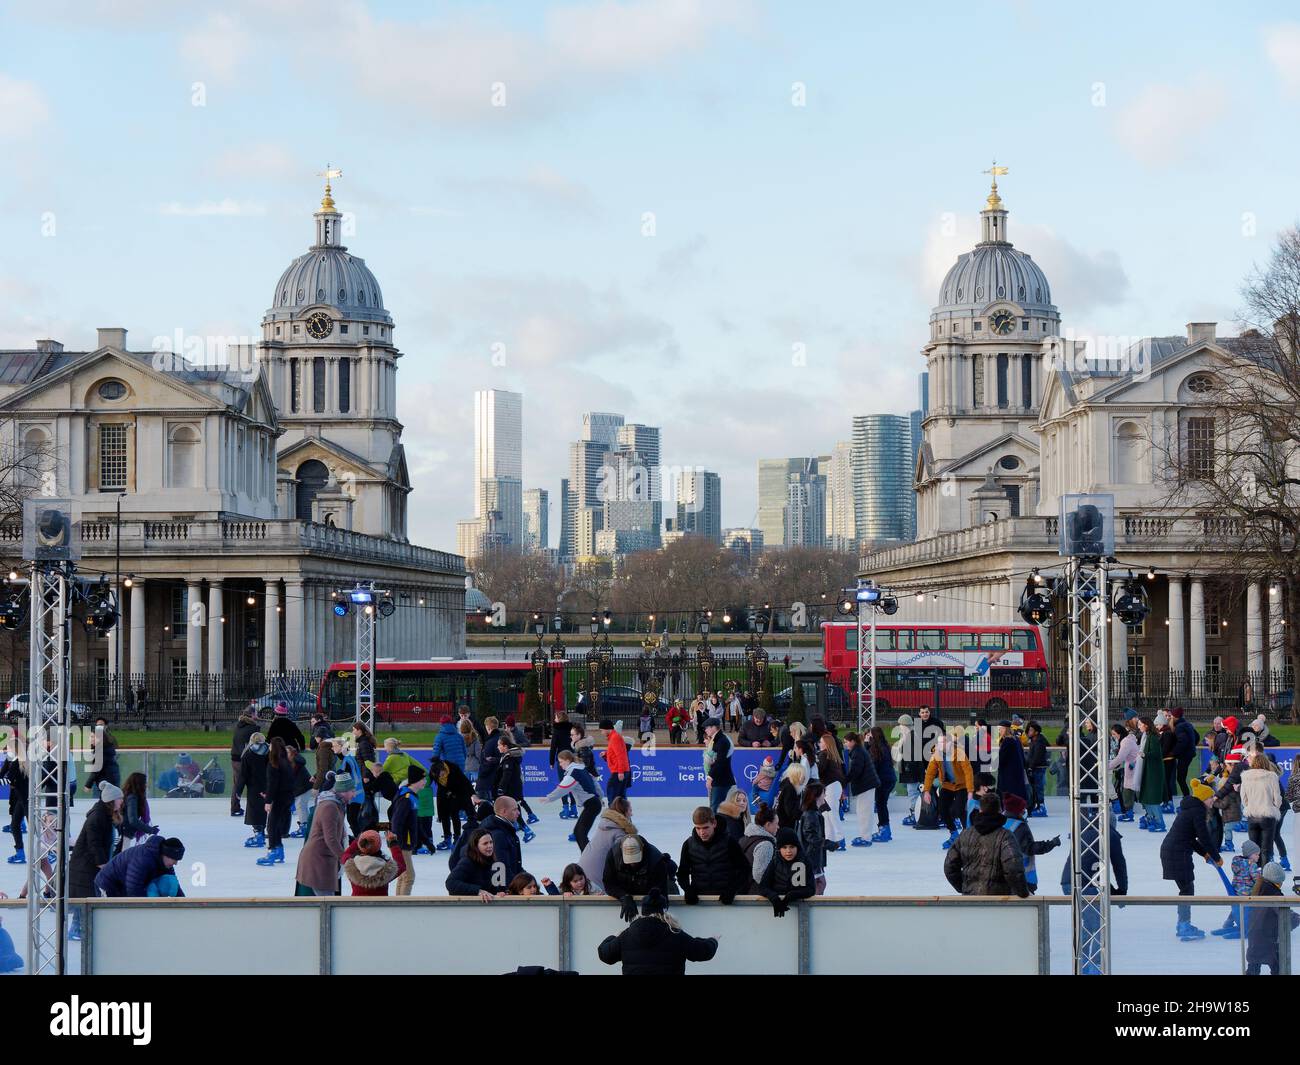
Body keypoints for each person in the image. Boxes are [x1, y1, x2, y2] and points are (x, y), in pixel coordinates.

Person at [597, 889, 719, 975]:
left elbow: (604, 954)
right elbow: (703, 952)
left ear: (643, 911)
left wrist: (613, 936)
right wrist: (713, 940)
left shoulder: (626, 935)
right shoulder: (676, 935)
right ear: (663, 911)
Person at [1161, 779, 1223, 940]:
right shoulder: (1198, 811)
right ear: (1203, 798)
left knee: (1186, 888)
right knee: (1187, 889)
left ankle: (1183, 923)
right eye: (1211, 797)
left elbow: (1191, 838)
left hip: (1173, 850)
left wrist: (1205, 854)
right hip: (1177, 852)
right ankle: (1184, 925)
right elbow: (1204, 836)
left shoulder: (1191, 809)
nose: (1213, 799)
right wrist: (1216, 856)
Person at [944, 792, 1029, 898]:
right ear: (1000, 810)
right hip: (998, 900)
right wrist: (1022, 892)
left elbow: (949, 866)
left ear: (980, 810)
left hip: (970, 899)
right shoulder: (1005, 836)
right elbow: (1013, 868)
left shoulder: (965, 835)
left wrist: (964, 886)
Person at [68, 782, 123, 937]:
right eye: (119, 799)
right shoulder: (97, 817)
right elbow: (94, 842)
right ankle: (77, 929)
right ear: (111, 800)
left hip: (91, 865)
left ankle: (81, 928)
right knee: (86, 898)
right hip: (85, 866)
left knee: (89, 897)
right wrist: (102, 863)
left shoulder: (106, 815)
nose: (122, 802)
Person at [294, 770, 357, 896]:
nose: (354, 795)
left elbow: (337, 834)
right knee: (326, 904)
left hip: (325, 860)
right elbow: (331, 839)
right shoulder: (330, 807)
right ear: (343, 791)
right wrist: (345, 859)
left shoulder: (337, 804)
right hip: (318, 861)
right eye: (352, 791)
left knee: (326, 904)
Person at [677, 806, 747, 904]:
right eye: (698, 828)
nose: (702, 832)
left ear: (714, 823)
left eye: (705, 827)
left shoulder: (730, 842)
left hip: (725, 899)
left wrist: (732, 890)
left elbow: (744, 870)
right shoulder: (688, 845)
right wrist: (688, 890)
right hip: (699, 899)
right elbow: (682, 873)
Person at [448, 795, 524, 884]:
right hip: (495, 892)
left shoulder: (506, 830)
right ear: (504, 811)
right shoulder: (498, 835)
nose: (518, 813)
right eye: (515, 809)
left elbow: (514, 866)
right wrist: (518, 887)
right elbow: (501, 871)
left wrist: (528, 881)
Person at [604, 833, 676, 920]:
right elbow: (608, 883)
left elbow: (662, 892)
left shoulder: (657, 860)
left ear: (642, 849)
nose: (632, 864)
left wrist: (654, 907)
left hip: (648, 895)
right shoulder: (613, 855)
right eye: (629, 861)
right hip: (625, 891)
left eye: (635, 860)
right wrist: (623, 896)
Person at [541, 749, 602, 850]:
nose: (560, 765)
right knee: (579, 833)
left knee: (580, 833)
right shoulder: (580, 768)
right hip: (593, 803)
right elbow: (595, 784)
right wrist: (599, 797)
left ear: (568, 760)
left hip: (592, 805)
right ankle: (589, 857)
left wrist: (549, 798)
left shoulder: (573, 772)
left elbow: (563, 788)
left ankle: (589, 858)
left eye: (561, 762)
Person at [923, 731, 974, 849]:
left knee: (959, 810)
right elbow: (930, 773)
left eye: (944, 741)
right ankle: (954, 834)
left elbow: (968, 771)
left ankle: (968, 836)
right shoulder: (936, 754)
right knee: (942, 809)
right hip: (947, 785)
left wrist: (970, 791)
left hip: (961, 786)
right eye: (940, 742)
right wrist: (926, 790)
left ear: (951, 742)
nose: (941, 744)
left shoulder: (959, 753)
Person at [1000, 794, 1059, 895]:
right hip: (1023, 876)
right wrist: (1051, 844)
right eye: (1023, 809)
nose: (1025, 811)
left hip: (1003, 876)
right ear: (1017, 810)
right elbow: (1029, 848)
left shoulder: (1001, 824)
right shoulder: (1019, 827)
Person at [96, 835, 185, 898]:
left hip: (123, 886)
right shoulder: (142, 859)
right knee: (113, 917)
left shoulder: (165, 864)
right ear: (165, 854)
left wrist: (185, 904)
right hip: (107, 884)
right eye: (174, 859)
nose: (175, 863)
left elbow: (174, 885)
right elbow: (133, 889)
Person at [755, 827, 816, 917]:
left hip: (799, 911)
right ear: (779, 848)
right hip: (774, 912)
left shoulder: (804, 862)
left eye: (792, 847)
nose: (788, 851)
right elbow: (763, 887)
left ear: (797, 847)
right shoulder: (775, 862)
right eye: (784, 847)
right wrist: (773, 897)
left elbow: (811, 889)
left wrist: (792, 895)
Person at [579, 796, 635, 893]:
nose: (632, 814)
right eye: (630, 810)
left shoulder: (605, 824)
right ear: (624, 813)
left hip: (581, 874)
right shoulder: (620, 833)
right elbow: (624, 863)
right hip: (595, 884)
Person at [1246, 863, 1294, 975]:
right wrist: (1295, 919)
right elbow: (1285, 914)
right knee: (1278, 967)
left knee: (1253, 966)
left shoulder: (1258, 891)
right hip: (1270, 940)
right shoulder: (1274, 895)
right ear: (1276, 882)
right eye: (1280, 883)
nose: (1281, 885)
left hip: (1254, 938)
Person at [257, 737, 295, 867]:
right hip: (287, 797)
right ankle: (279, 849)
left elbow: (273, 784)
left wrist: (268, 800)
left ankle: (273, 850)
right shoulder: (286, 762)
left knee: (272, 824)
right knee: (277, 823)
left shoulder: (274, 763)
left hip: (279, 798)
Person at [1241, 750, 1284, 864]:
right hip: (1267, 816)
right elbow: (1278, 798)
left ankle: (1254, 875)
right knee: (1266, 849)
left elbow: (1243, 797)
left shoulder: (1245, 777)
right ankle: (1265, 876)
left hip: (1252, 815)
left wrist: (1250, 806)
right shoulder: (1272, 777)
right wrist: (1274, 807)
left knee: (1253, 850)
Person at [389, 764, 426, 895]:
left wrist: (427, 841)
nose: (425, 782)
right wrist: (396, 843)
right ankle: (402, 907)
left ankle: (398, 905)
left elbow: (414, 822)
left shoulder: (412, 797)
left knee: (403, 876)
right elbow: (396, 822)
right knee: (409, 876)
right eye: (423, 779)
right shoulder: (406, 798)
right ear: (416, 781)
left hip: (405, 842)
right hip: (402, 843)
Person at [446, 828, 508, 901]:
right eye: (485, 843)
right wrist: (478, 891)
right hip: (467, 907)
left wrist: (501, 892)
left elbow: (497, 887)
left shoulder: (495, 862)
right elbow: (451, 883)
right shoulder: (467, 862)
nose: (490, 846)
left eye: (491, 842)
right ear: (476, 846)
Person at [341, 830, 406, 896]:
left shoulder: (351, 866)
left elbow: (346, 854)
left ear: (360, 844)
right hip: (380, 905)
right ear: (379, 846)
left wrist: (359, 839)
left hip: (357, 906)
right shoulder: (387, 870)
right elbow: (401, 865)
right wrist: (393, 843)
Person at [842, 731, 879, 848]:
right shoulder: (857, 751)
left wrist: (845, 781)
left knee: (864, 812)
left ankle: (866, 838)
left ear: (852, 742)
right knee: (863, 811)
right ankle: (865, 835)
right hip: (866, 785)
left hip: (866, 786)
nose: (845, 744)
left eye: (846, 742)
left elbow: (855, 771)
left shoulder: (857, 752)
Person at [497, 736, 537, 839]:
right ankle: (522, 827)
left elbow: (507, 775)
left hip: (511, 787)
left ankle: (525, 829)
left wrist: (501, 787)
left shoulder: (509, 758)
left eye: (499, 745)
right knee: (515, 807)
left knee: (512, 808)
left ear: (505, 746)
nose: (498, 747)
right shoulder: (511, 756)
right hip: (515, 785)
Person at [238, 732, 270, 849]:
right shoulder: (269, 753)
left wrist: (238, 790)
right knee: (264, 809)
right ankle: (261, 831)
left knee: (254, 810)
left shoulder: (248, 755)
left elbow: (243, 775)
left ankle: (258, 833)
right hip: (267, 786)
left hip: (254, 787)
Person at [815, 732, 845, 852]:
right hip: (832, 786)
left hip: (831, 787)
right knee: (826, 814)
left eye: (821, 742)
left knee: (831, 813)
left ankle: (840, 838)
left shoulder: (824, 755)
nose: (819, 744)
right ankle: (830, 839)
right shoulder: (830, 755)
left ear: (826, 744)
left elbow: (820, 770)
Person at [1136, 716, 1167, 832]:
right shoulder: (1148, 736)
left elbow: (1155, 753)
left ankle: (1159, 822)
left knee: (1153, 799)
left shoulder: (1152, 738)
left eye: (1140, 724)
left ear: (1146, 725)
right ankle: (1151, 818)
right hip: (1149, 771)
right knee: (1147, 798)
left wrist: (1144, 754)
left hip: (1153, 773)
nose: (1139, 727)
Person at [894, 714, 926, 826]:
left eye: (901, 725)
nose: (899, 727)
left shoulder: (911, 737)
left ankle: (915, 814)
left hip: (911, 772)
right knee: (912, 793)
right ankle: (915, 813)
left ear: (905, 725)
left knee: (913, 793)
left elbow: (913, 756)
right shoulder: (908, 736)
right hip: (910, 771)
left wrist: (907, 768)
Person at [797, 781, 828, 895]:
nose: (825, 795)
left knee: (820, 884)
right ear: (817, 796)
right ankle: (811, 908)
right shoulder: (811, 814)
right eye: (824, 793)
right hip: (810, 858)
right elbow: (810, 837)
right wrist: (827, 843)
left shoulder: (814, 813)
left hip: (813, 857)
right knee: (819, 884)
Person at [868, 726, 896, 843]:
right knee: (882, 804)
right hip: (889, 779)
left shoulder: (876, 749)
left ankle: (884, 829)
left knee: (881, 804)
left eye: (870, 735)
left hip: (883, 781)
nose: (868, 736)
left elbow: (874, 766)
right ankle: (885, 829)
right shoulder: (885, 746)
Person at [1108, 722, 1140, 822]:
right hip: (1131, 768)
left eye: (1114, 734)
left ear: (1119, 733)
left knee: (1129, 792)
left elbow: (1120, 758)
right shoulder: (1127, 740)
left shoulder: (1125, 742)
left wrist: (1107, 766)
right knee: (1128, 791)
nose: (1113, 736)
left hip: (1132, 769)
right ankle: (1128, 813)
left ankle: (1130, 813)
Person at [547, 711, 576, 819]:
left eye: (555, 717)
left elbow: (553, 747)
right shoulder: (572, 729)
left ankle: (565, 809)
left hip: (562, 759)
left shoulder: (557, 730)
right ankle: (574, 808)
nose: (554, 719)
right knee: (572, 783)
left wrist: (551, 762)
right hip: (572, 758)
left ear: (559, 719)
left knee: (564, 784)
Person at [118, 772, 156, 850]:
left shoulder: (129, 796)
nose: (146, 785)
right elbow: (133, 820)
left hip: (125, 830)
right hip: (125, 831)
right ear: (139, 784)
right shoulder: (132, 798)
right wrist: (149, 829)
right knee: (121, 857)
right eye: (145, 783)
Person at [703, 718, 734, 813]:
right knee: (715, 807)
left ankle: (715, 827)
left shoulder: (722, 741)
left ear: (713, 728)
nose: (705, 730)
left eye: (707, 727)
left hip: (721, 781)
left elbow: (720, 762)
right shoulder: (717, 740)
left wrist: (710, 777)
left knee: (715, 808)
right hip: (720, 780)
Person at [995, 721, 1029, 804]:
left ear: (1004, 729)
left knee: (1009, 797)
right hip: (1017, 773)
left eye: (1000, 729)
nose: (999, 731)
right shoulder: (1016, 739)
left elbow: (1001, 759)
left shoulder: (1007, 741)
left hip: (1009, 775)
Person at [84, 719, 121, 791]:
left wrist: (88, 785)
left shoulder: (101, 751)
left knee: (106, 801)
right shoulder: (104, 748)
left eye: (92, 737)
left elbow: (96, 769)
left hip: (108, 783)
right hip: (107, 781)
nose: (90, 739)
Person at [602, 719, 631, 804]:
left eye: (602, 730)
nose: (601, 733)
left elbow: (621, 755)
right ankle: (623, 815)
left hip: (618, 771)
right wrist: (606, 754)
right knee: (620, 796)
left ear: (607, 729)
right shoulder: (613, 737)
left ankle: (614, 814)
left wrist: (620, 772)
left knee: (613, 795)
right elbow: (616, 753)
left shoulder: (615, 738)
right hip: (619, 770)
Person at [1023, 722, 1048, 816]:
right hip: (1035, 767)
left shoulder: (1039, 741)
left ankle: (1041, 807)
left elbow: (1036, 756)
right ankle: (1038, 806)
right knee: (1036, 788)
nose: (1029, 732)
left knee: (1038, 788)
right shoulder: (1034, 740)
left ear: (1036, 732)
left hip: (1038, 768)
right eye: (1028, 730)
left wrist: (1030, 767)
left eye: (1031, 730)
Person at [775, 762, 807, 830]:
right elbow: (792, 812)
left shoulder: (786, 784)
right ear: (796, 775)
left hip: (780, 823)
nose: (804, 778)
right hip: (783, 826)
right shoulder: (789, 789)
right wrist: (806, 814)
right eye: (802, 775)